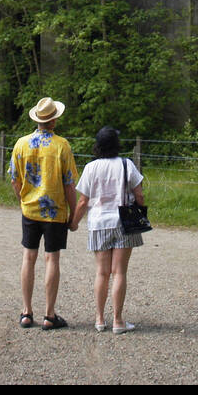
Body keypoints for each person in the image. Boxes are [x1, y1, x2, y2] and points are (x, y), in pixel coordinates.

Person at [10, 96, 79, 330]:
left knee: (28, 257)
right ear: (54, 120)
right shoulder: (62, 146)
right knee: (52, 258)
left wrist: (24, 200)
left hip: (30, 209)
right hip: (55, 211)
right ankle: (50, 315)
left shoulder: (21, 144)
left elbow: (14, 180)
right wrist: (73, 213)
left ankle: (26, 311)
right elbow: (69, 184)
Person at [70, 126, 144, 334]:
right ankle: (118, 321)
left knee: (102, 272)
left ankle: (100, 319)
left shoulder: (91, 168)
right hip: (124, 222)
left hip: (99, 222)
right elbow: (139, 195)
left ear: (98, 145)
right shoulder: (126, 164)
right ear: (116, 145)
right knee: (119, 271)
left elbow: (83, 201)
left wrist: (74, 223)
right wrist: (140, 215)